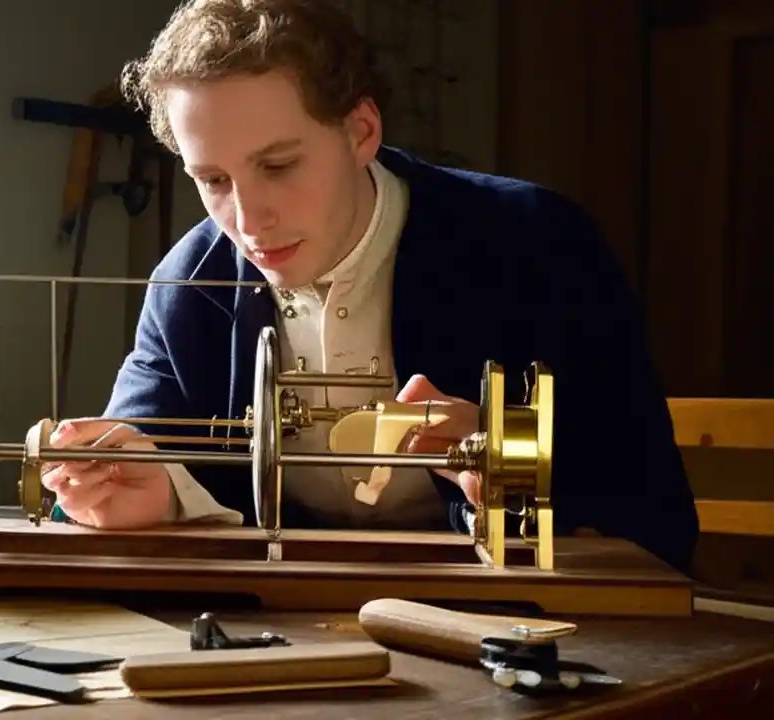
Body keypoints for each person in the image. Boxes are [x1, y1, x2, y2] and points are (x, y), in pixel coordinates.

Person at [39, 0, 698, 575]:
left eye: (278, 165)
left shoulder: (539, 243)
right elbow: (133, 468)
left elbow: (657, 520)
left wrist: (513, 472)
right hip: (277, 641)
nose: (248, 218)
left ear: (361, 132)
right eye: (212, 179)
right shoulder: (188, 282)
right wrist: (147, 497)